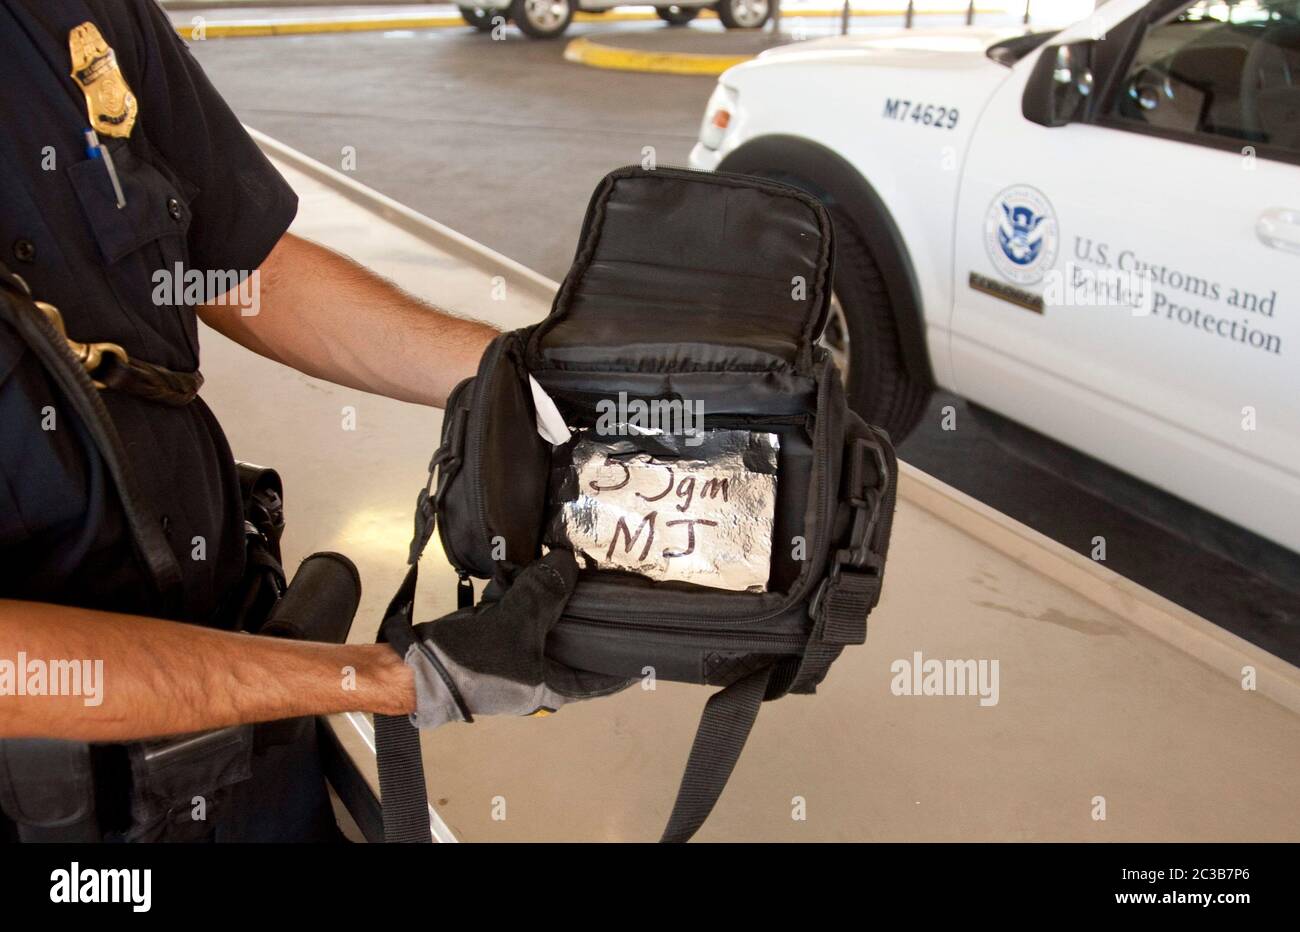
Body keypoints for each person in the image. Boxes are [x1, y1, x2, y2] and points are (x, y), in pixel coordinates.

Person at [0, 0, 600, 842]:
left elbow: (248, 274)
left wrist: (532, 383)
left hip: (250, 727)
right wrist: (397, 681)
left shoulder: (66, 17)